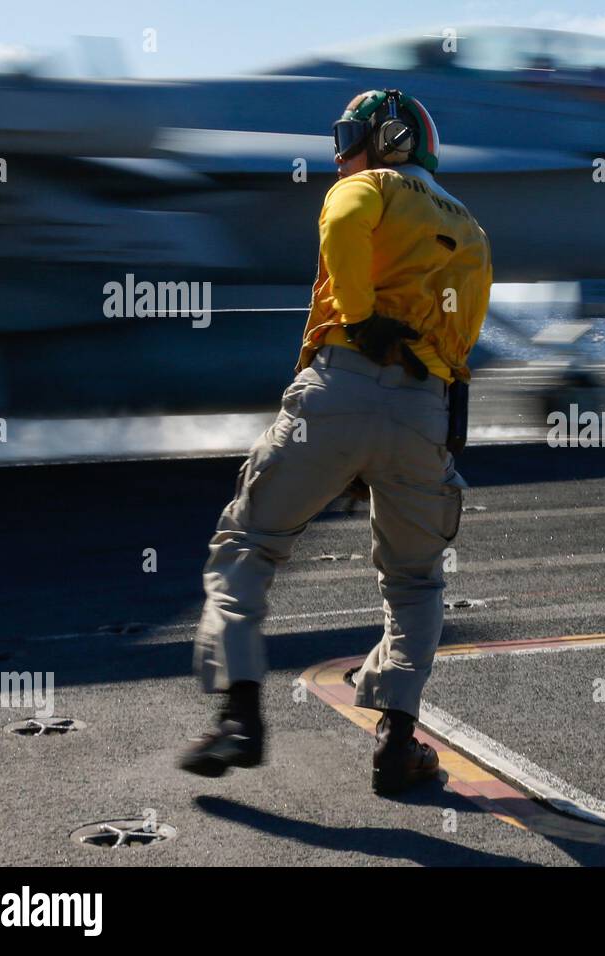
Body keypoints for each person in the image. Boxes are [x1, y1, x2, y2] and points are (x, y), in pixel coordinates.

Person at [179, 89, 492, 795]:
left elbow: (345, 225)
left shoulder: (367, 186)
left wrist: (360, 314)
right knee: (415, 581)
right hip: (424, 412)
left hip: (337, 388)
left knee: (249, 546)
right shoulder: (470, 226)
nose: (341, 152)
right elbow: (463, 337)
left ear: (388, 138)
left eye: (350, 135)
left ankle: (238, 716)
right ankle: (397, 742)